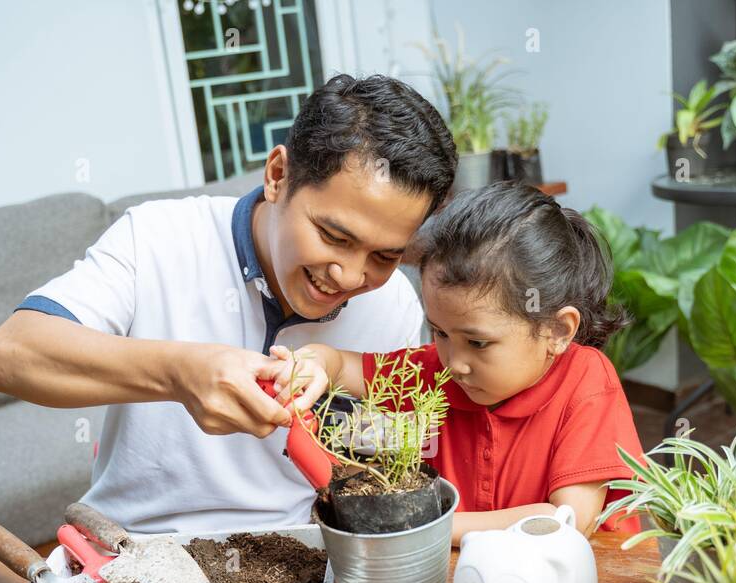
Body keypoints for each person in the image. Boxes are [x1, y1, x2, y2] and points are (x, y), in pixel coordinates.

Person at [0, 74, 457, 533]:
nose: (350, 276)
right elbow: (10, 356)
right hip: (132, 545)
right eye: (333, 236)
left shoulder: (393, 301)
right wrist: (179, 373)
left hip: (300, 553)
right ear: (278, 176)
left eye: (385, 255)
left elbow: (381, 448)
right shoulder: (158, 237)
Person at [269, 182, 643, 546]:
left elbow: (568, 522)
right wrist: (312, 364)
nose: (455, 364)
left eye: (478, 342)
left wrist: (426, 524)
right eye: (439, 332)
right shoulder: (437, 370)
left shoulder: (586, 382)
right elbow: (341, 365)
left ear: (558, 330)